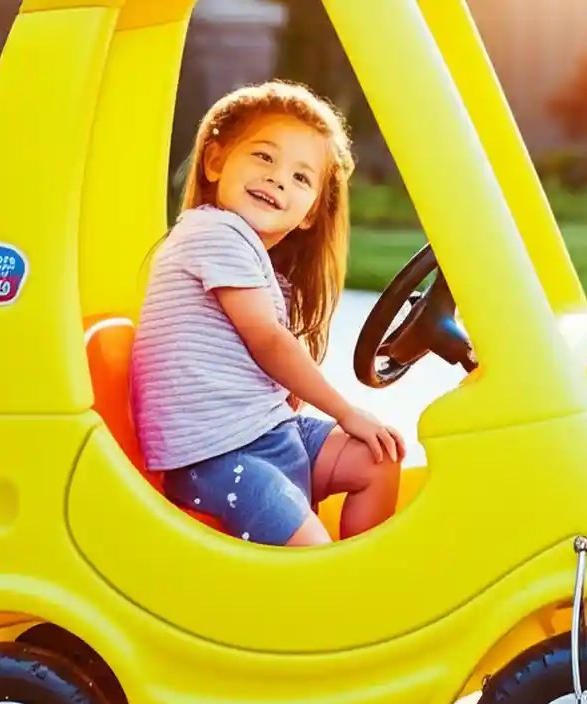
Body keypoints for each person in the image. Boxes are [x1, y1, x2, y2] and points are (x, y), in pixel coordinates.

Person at [131, 80, 404, 548]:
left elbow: (253, 353)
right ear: (216, 162)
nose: (278, 178)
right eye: (263, 157)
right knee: (312, 555)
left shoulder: (256, 260)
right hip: (214, 457)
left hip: (268, 435)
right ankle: (342, 600)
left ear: (310, 214)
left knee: (377, 458)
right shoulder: (214, 233)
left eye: (301, 177)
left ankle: (367, 582)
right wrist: (344, 412)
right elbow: (267, 340)